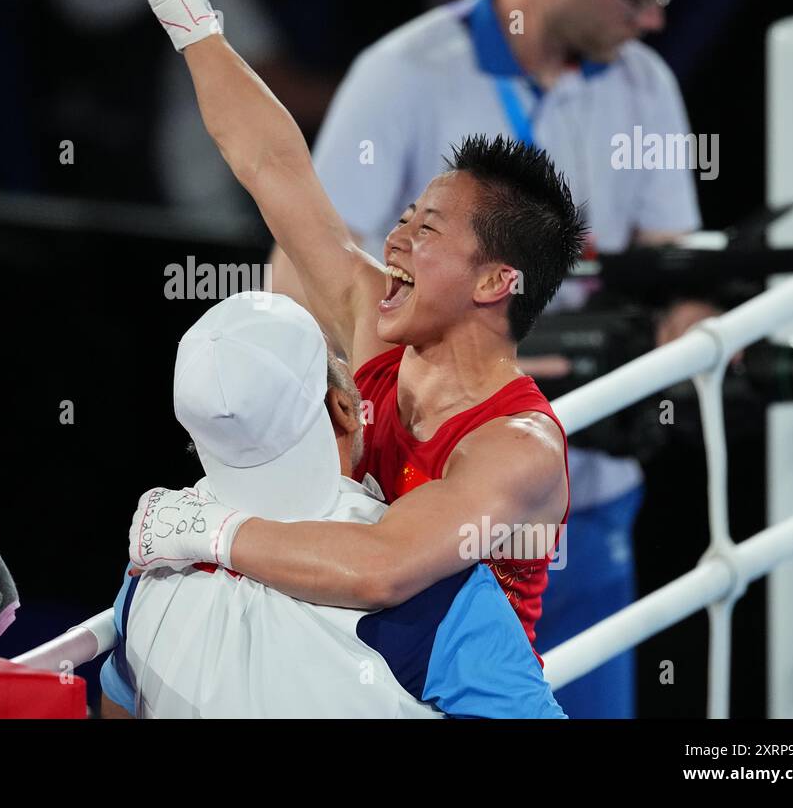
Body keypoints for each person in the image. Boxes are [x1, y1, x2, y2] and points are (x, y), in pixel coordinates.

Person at [265, 0, 705, 717]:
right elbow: (303, 267)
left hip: (593, 493)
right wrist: (327, 429)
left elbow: (677, 268)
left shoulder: (646, 84)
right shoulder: (403, 75)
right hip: (428, 497)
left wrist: (685, 343)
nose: (654, 22)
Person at [116, 0, 582, 664]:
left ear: (497, 280)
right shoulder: (375, 319)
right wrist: (183, 7)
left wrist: (208, 531)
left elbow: (381, 571)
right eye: (407, 215)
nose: (394, 237)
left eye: (427, 230)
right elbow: (273, 168)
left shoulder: (516, 450)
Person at [103, 292, 564, 718]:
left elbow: (118, 706)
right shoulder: (434, 594)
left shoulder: (148, 570)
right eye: (335, 355)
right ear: (344, 407)